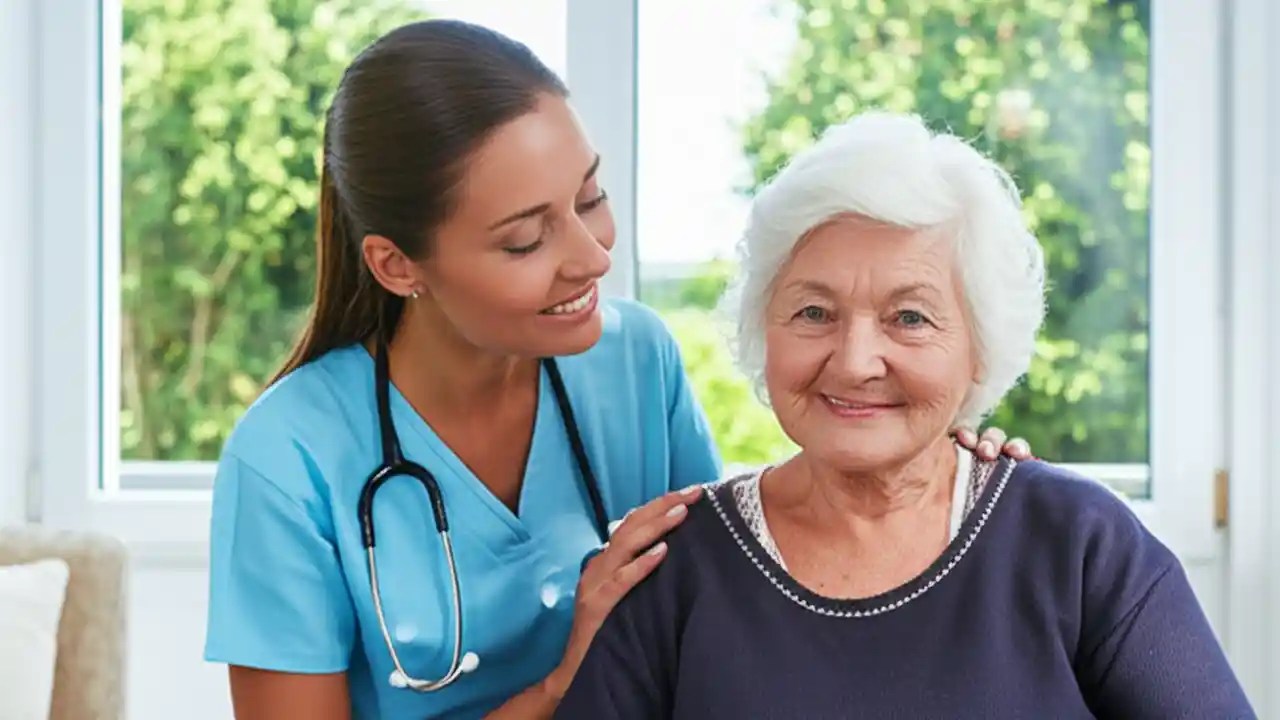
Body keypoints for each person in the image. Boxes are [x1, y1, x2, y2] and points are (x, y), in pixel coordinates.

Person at [201, 21, 1032, 720]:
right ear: (396, 265)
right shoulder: (290, 455)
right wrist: (566, 682)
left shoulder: (633, 358)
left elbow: (740, 585)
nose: (593, 255)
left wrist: (925, 469)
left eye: (590, 198)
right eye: (526, 240)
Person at [556, 111, 1254, 719]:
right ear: (762, 327)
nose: (856, 360)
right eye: (813, 312)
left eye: (910, 317)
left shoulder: (1078, 543)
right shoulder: (675, 566)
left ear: (980, 346)